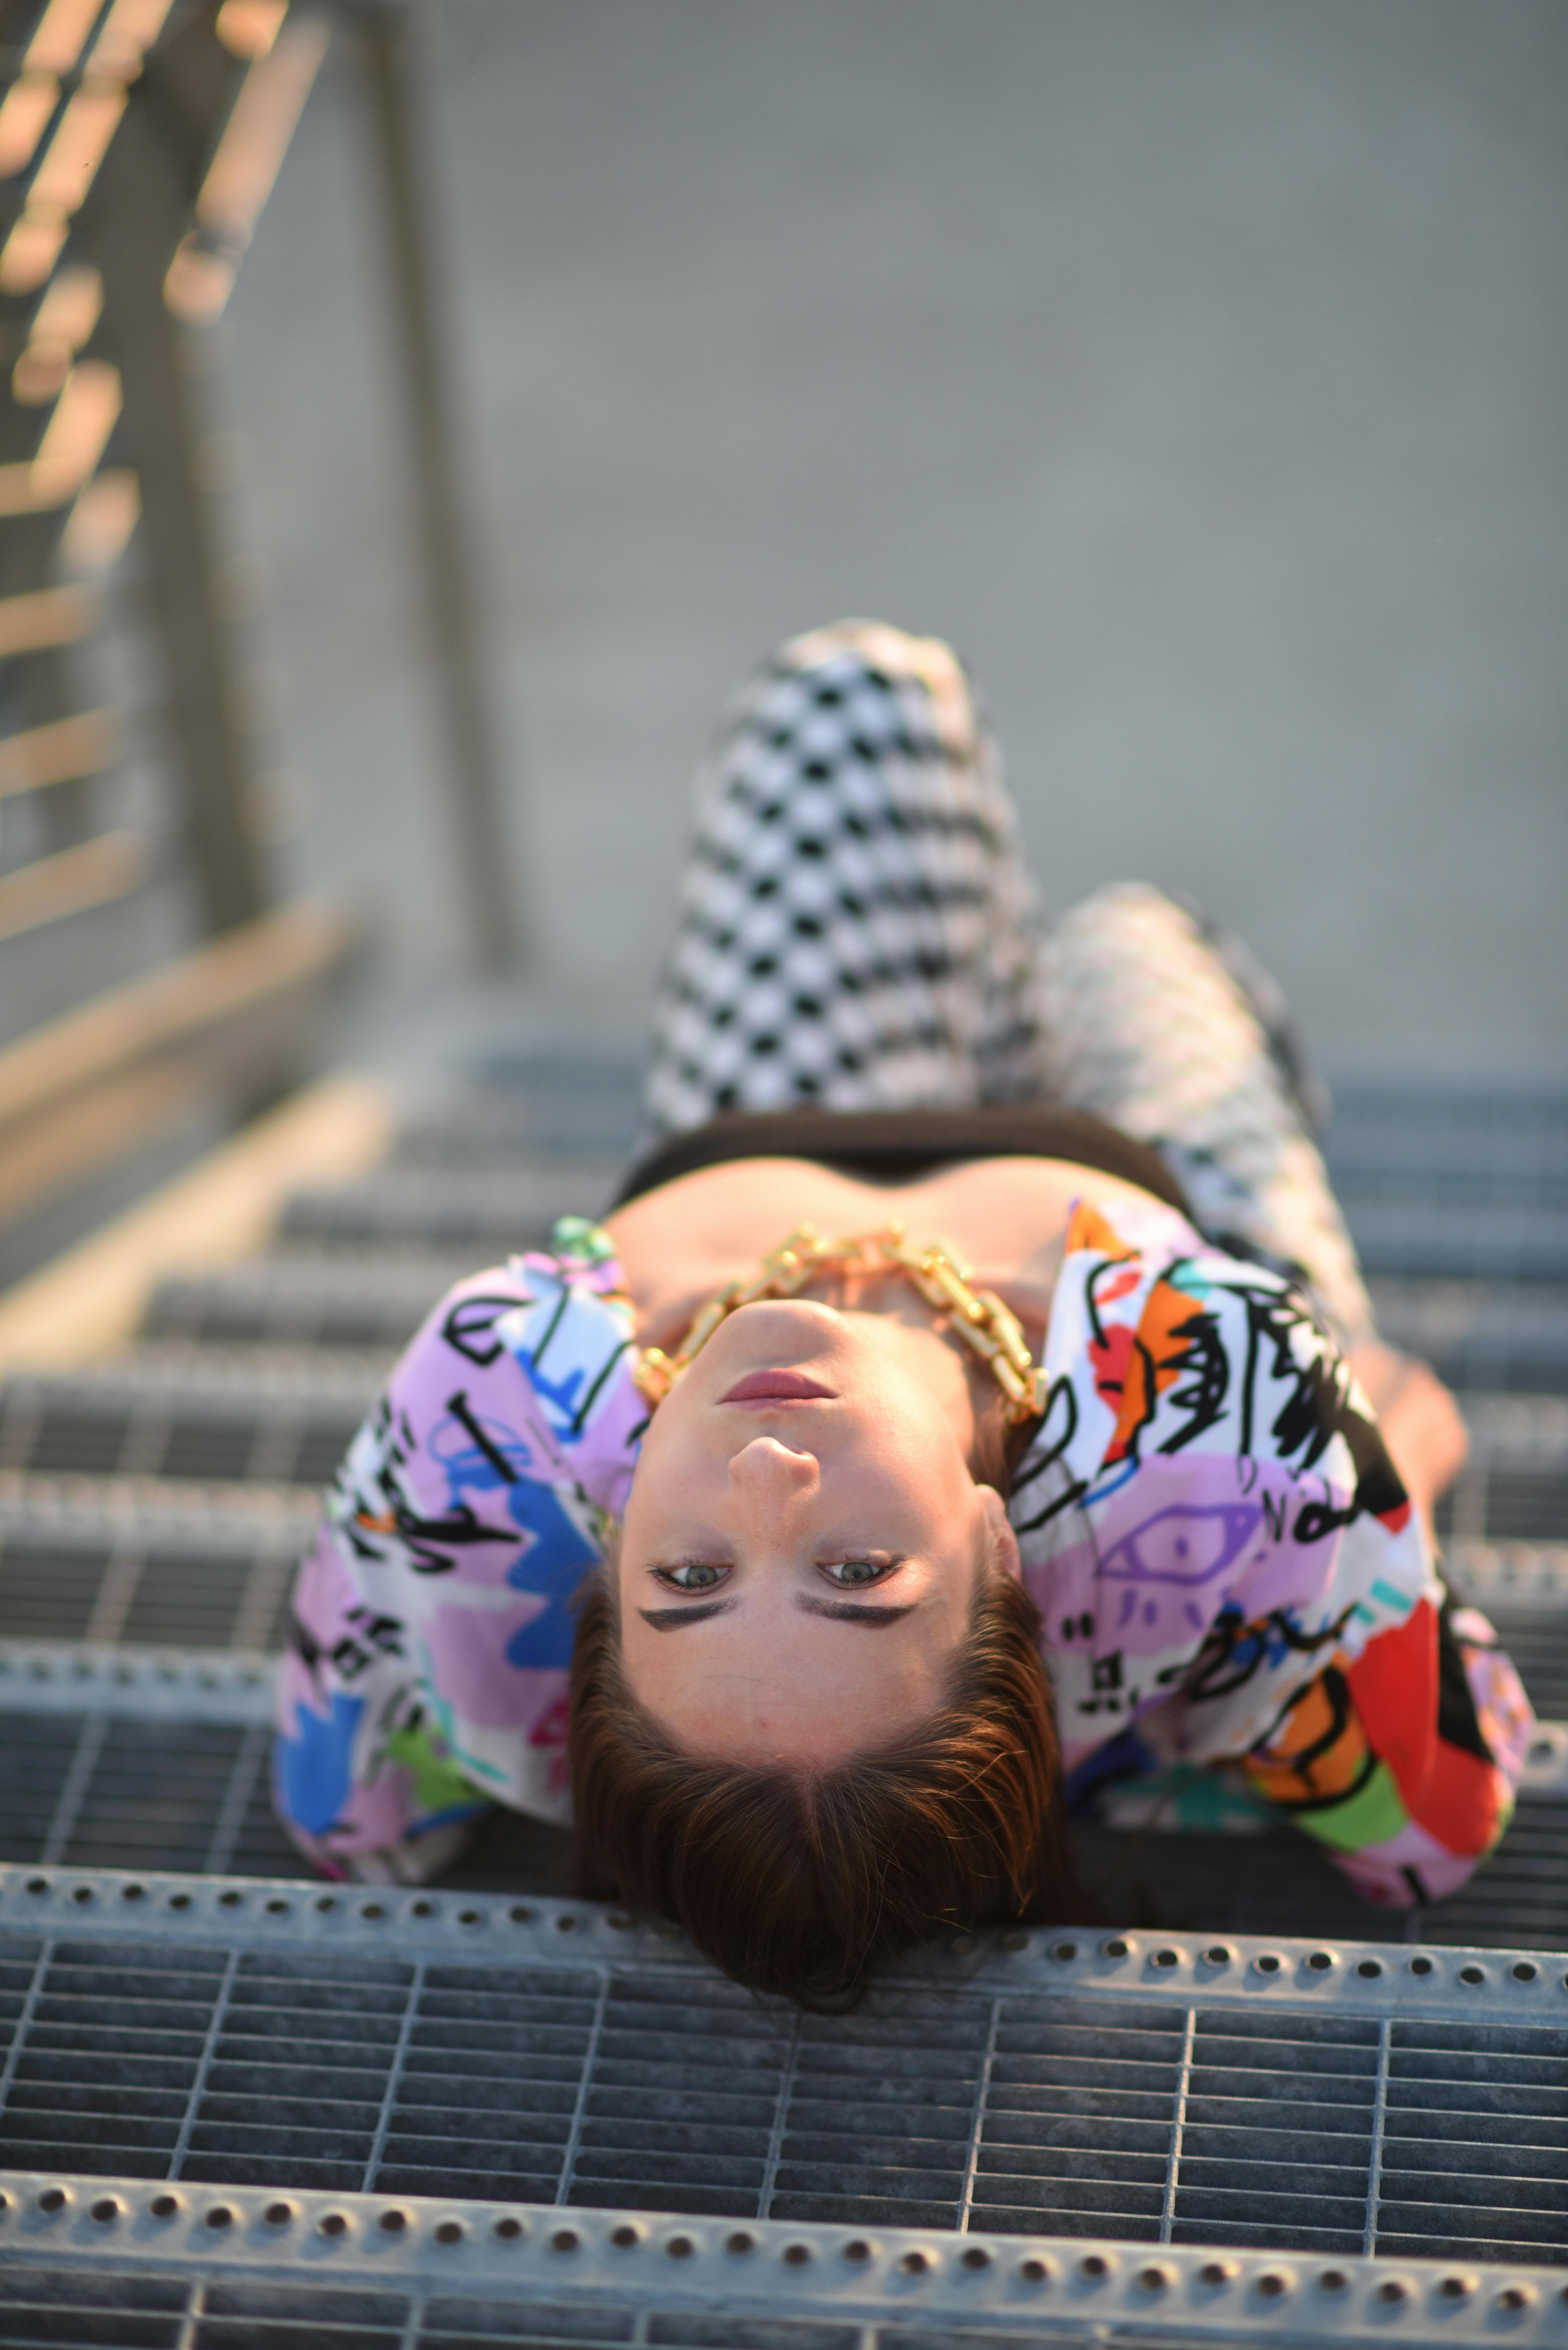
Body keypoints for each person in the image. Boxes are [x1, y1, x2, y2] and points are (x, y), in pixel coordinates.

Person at [274, 619, 1533, 2009]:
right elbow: (1432, 1832)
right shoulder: (1230, 1428)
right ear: (1001, 1558)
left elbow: (353, 1822)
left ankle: (1002, 993)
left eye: (688, 1581)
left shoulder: (486, 1429)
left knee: (857, 691)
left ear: (605, 1557)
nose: (764, 1478)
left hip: (797, 1109)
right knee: (1136, 941)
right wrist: (1376, 1468)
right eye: (859, 1573)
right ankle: (1063, 985)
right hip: (1151, 1192)